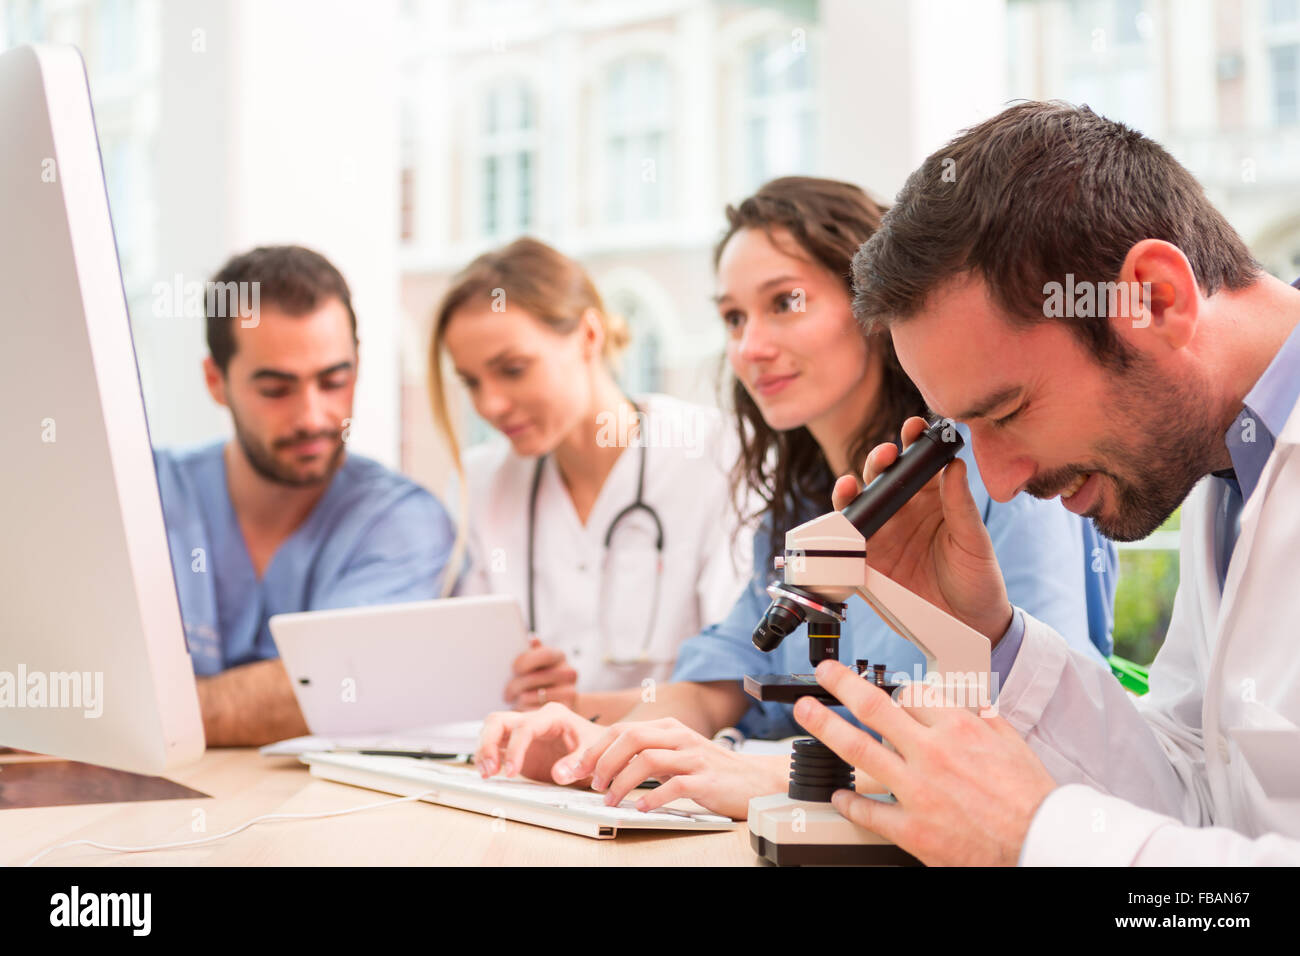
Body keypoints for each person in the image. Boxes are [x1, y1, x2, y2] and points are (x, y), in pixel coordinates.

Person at [474, 177, 1118, 820]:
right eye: (733, 318)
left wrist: (768, 774)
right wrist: (595, 740)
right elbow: (716, 685)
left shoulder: (998, 478)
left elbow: (1040, 738)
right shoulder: (799, 511)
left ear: (876, 304)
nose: (750, 347)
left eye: (785, 302)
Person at [787, 100, 1300, 865]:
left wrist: (1036, 843)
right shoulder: (1232, 469)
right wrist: (991, 635)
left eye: (1010, 409)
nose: (996, 480)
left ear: (1153, 298)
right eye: (967, 431)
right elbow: (1199, 797)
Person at [430, 237, 752, 720]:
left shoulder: (716, 454)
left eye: (513, 370)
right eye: (472, 382)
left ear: (588, 336)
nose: (490, 405)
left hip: (667, 778)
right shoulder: (483, 482)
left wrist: (576, 709)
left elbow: (734, 680)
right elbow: (474, 677)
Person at [155, 245, 457, 747]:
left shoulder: (403, 521)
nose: (313, 417)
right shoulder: (146, 497)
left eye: (334, 381)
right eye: (276, 390)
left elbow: (339, 688)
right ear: (216, 382)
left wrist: (142, 709)